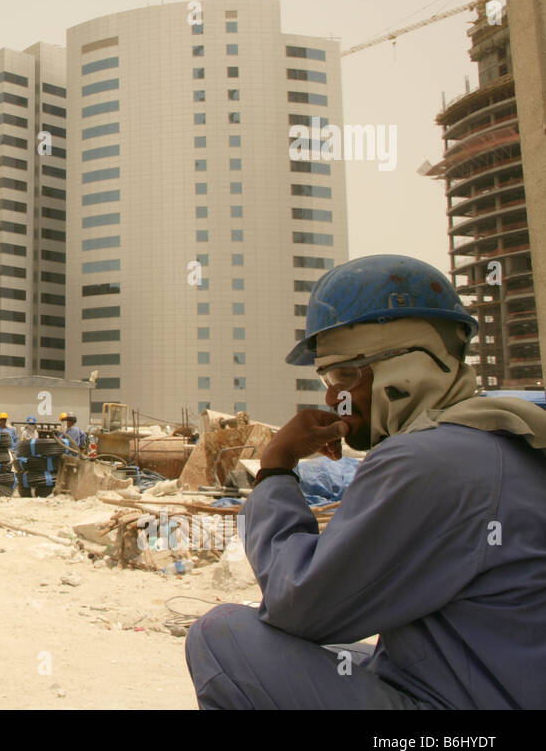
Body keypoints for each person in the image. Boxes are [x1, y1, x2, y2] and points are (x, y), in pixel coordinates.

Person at [185, 255, 546, 709]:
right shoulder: (504, 434)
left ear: (407, 368)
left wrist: (277, 465)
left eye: (344, 376)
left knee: (221, 637)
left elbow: (299, 605)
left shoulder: (428, 460)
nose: (333, 398)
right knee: (354, 656)